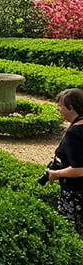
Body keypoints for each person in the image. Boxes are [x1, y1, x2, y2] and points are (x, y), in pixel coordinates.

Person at [46, 88, 83, 237]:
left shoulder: (74, 133)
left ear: (71, 108)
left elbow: (80, 169)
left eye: (60, 105)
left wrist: (57, 173)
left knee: (72, 234)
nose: (57, 108)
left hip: (76, 194)